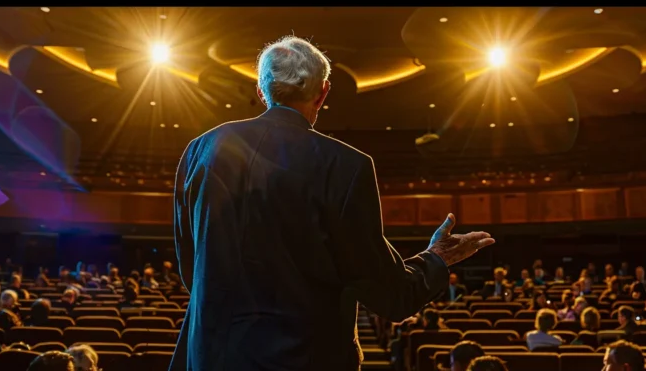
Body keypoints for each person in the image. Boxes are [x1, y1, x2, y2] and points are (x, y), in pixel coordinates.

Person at [168, 35, 496, 371]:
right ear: (323, 92)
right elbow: (386, 292)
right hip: (304, 358)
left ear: (261, 91)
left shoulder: (200, 151)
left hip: (211, 355)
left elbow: (191, 265)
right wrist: (436, 259)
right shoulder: (347, 166)